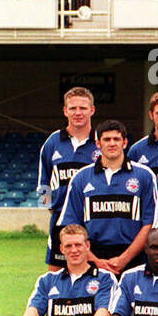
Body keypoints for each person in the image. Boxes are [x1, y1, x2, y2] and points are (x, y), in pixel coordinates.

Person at [58, 120, 158, 276]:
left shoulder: (144, 175)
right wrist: (96, 261)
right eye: (106, 139)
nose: (112, 143)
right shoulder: (81, 178)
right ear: (98, 143)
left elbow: (150, 224)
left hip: (134, 257)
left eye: (117, 139)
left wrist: (124, 259)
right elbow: (70, 226)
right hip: (92, 256)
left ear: (125, 143)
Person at [38, 86, 99, 270]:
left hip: (94, 221)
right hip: (60, 223)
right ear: (65, 111)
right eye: (73, 108)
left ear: (92, 110)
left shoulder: (100, 142)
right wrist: (54, 211)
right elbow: (43, 186)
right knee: (57, 275)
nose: (78, 113)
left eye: (83, 108)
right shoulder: (52, 142)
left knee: (95, 275)